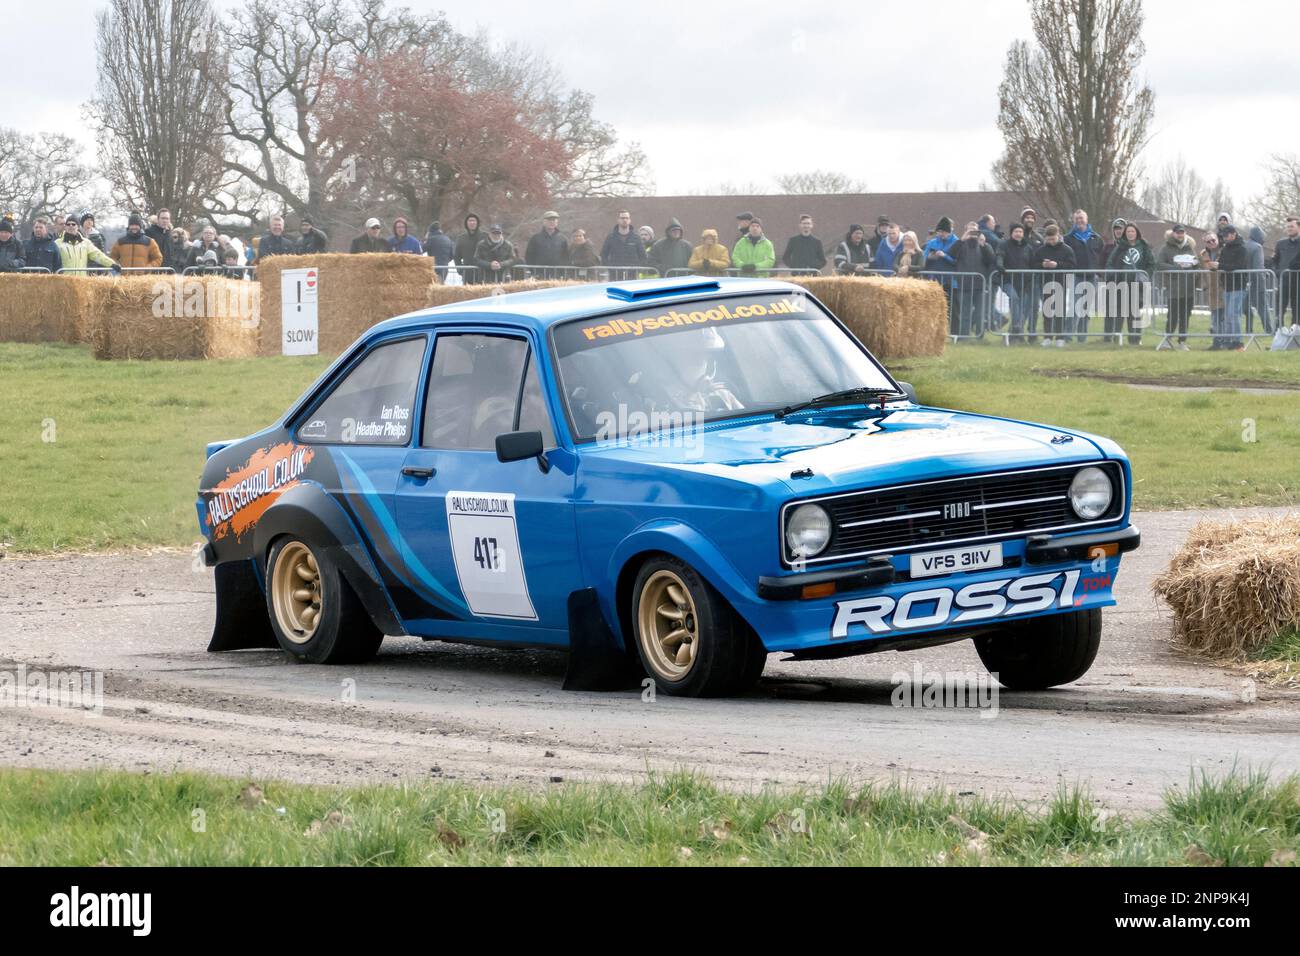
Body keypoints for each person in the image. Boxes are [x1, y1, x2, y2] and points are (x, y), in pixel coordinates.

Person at [1105, 222, 1154, 346]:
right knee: (1120, 312)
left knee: (1135, 312)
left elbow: (1151, 263)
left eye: (1132, 231)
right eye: (1128, 232)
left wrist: (1145, 275)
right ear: (1125, 234)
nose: (1130, 234)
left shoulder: (1143, 246)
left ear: (1137, 232)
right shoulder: (1120, 247)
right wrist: (1114, 276)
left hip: (1137, 285)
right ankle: (1116, 338)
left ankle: (1135, 339)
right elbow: (1110, 263)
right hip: (1121, 284)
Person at [1031, 224, 1077, 347]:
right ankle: (1047, 337)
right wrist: (1043, 265)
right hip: (1045, 283)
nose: (1051, 241)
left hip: (1061, 283)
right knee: (1047, 311)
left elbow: (1072, 265)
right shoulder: (1041, 250)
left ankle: (1060, 337)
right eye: (1049, 239)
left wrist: (1057, 265)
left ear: (1058, 235)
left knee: (1059, 311)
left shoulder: (1067, 250)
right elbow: (1034, 265)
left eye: (1053, 238)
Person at [1154, 224, 1198, 351]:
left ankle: (1182, 341)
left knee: (1185, 316)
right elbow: (1160, 264)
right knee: (1172, 315)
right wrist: (1176, 268)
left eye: (1182, 232)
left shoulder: (1189, 247)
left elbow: (1195, 263)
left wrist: (1195, 263)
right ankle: (1168, 340)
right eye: (1178, 232)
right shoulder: (1166, 248)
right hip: (1173, 288)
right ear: (1173, 233)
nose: (1180, 234)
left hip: (1188, 288)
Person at [950, 221, 996, 336]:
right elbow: (951, 254)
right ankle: (964, 336)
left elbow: (991, 260)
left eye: (975, 230)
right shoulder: (961, 244)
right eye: (970, 231)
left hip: (980, 285)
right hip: (964, 284)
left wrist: (983, 245)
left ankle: (979, 336)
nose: (972, 233)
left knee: (980, 313)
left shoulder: (984, 245)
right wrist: (961, 240)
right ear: (965, 231)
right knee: (965, 313)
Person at [1064, 209, 1103, 342]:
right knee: (1075, 307)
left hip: (1092, 277)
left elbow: (1100, 256)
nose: (1079, 221)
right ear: (1074, 221)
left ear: (1087, 219)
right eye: (1077, 219)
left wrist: (1099, 271)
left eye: (1081, 218)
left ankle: (1082, 338)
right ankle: (1068, 336)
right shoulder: (1068, 238)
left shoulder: (1096, 237)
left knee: (1086, 309)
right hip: (1076, 276)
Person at [998, 222, 1037, 341]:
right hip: (1008, 280)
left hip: (1024, 282)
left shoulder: (1028, 247)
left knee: (1021, 308)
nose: (1018, 234)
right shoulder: (1004, 245)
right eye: (1016, 231)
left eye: (1020, 231)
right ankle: (1016, 327)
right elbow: (1000, 256)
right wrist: (1000, 265)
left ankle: (1014, 335)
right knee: (1014, 299)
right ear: (1011, 233)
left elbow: (1033, 264)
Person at [1216, 225, 1249, 351]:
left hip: (1238, 285)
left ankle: (1238, 342)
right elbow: (1223, 264)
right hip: (1227, 286)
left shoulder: (1242, 249)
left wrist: (1221, 265)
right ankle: (1230, 340)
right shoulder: (1225, 249)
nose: (1224, 237)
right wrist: (1218, 265)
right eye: (1223, 235)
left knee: (1233, 314)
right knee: (1228, 315)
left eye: (1226, 235)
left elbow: (1238, 265)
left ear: (1233, 234)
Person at [1269, 217, 1300, 326]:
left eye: (1292, 226)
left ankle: (1295, 335)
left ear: (1298, 227)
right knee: (1279, 308)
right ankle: (1279, 332)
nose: (1289, 229)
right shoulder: (1280, 244)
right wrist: (1277, 272)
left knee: (1297, 311)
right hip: (1283, 281)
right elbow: (1275, 260)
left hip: (1298, 283)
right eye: (1287, 227)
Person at [1244, 226, 1273, 335]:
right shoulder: (1257, 247)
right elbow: (1258, 267)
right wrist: (1263, 282)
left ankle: (1248, 330)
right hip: (1257, 283)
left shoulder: (1245, 245)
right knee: (1263, 308)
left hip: (1244, 281)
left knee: (1246, 308)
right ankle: (1269, 331)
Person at [1199, 232, 1224, 346]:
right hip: (1211, 291)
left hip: (1223, 289)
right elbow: (1201, 272)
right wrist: (1204, 286)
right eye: (1208, 241)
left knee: (1223, 317)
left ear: (1217, 239)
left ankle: (1225, 341)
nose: (1212, 243)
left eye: (1213, 240)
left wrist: (1220, 265)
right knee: (1214, 318)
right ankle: (1216, 342)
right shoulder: (1203, 254)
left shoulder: (1224, 251)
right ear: (1205, 243)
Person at [454, 213, 485, 281]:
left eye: (474, 221)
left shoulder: (485, 236)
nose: (472, 223)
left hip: (483, 273)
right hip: (467, 274)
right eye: (470, 221)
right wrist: (460, 270)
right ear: (466, 223)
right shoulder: (461, 238)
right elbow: (457, 256)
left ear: (477, 223)